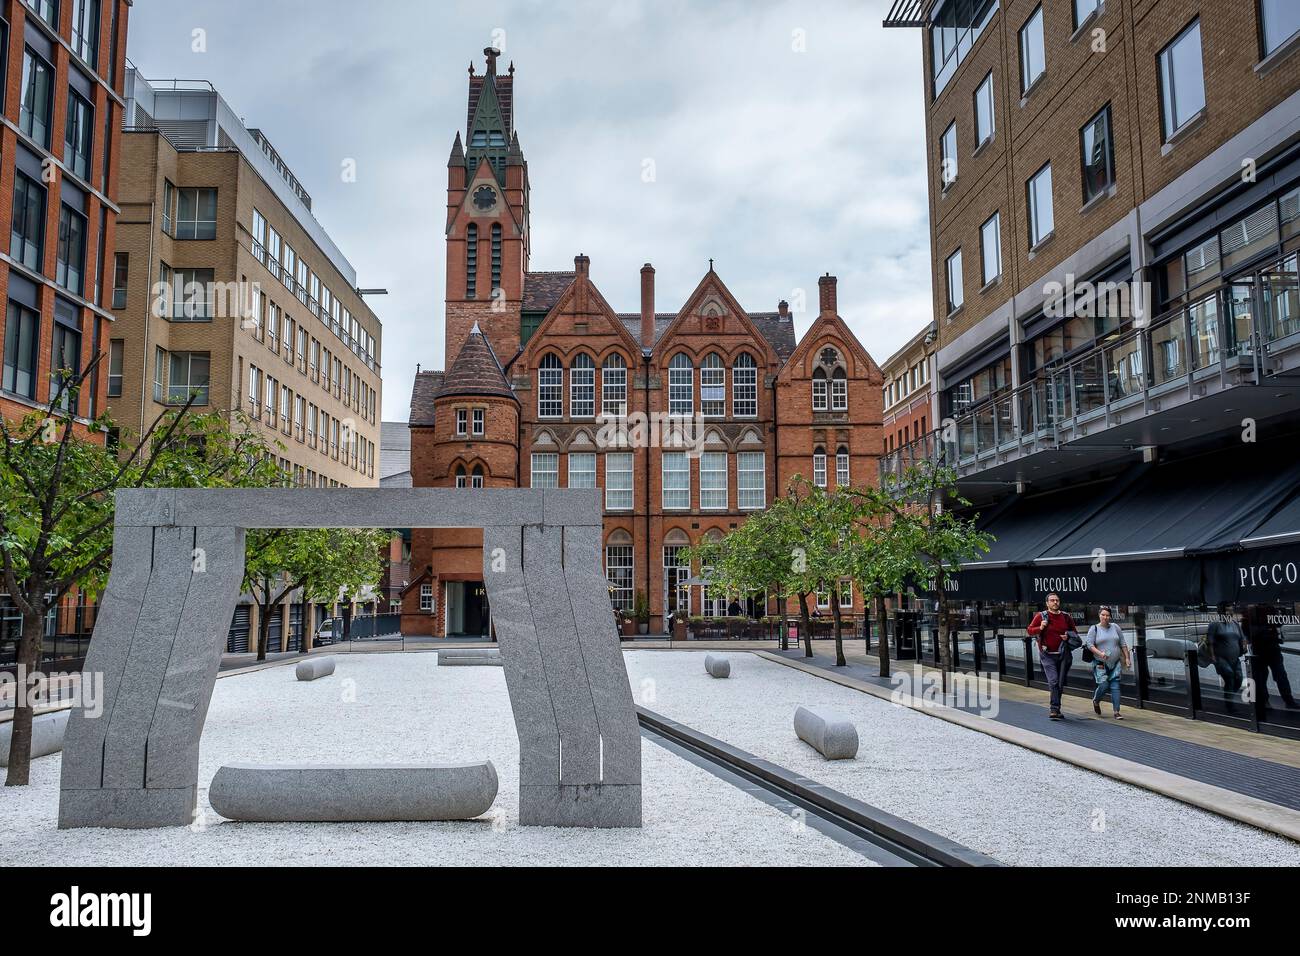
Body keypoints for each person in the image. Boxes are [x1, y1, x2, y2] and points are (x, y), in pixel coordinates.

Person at [1028, 593, 1078, 720]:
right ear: (1047, 603)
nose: (1055, 602)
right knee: (1053, 681)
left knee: (1059, 684)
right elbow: (1029, 630)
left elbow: (1075, 634)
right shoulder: (1041, 616)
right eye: (1052, 600)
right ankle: (1054, 709)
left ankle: (1056, 709)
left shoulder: (1066, 617)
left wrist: (1068, 636)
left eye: (1057, 600)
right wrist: (1040, 627)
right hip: (1047, 655)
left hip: (1063, 655)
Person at [1243, 605, 1299, 711]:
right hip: (1261, 649)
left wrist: (1278, 616)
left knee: (1279, 675)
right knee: (1264, 677)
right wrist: (1267, 628)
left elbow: (1278, 624)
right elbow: (1248, 631)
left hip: (1271, 648)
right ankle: (1269, 701)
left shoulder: (1270, 609)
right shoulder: (1250, 612)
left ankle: (1287, 701)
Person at [1085, 606, 1129, 718]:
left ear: (1110, 616)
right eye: (1103, 615)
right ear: (1099, 615)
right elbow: (1089, 645)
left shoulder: (1115, 627)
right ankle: (1096, 700)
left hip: (1116, 662)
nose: (1105, 617)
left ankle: (1116, 712)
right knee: (1104, 685)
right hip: (1100, 663)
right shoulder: (1094, 628)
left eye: (1108, 615)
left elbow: (1123, 644)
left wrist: (1127, 658)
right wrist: (1100, 653)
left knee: (1115, 686)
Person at [1206, 605, 1247, 712]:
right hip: (1221, 658)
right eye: (1226, 611)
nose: (1229, 613)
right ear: (1220, 613)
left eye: (1231, 611)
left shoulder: (1235, 624)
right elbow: (1210, 642)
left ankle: (1228, 697)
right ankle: (1230, 705)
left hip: (1235, 659)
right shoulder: (1214, 625)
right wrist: (1213, 657)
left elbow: (1243, 638)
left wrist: (1244, 646)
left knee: (1239, 679)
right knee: (1230, 677)